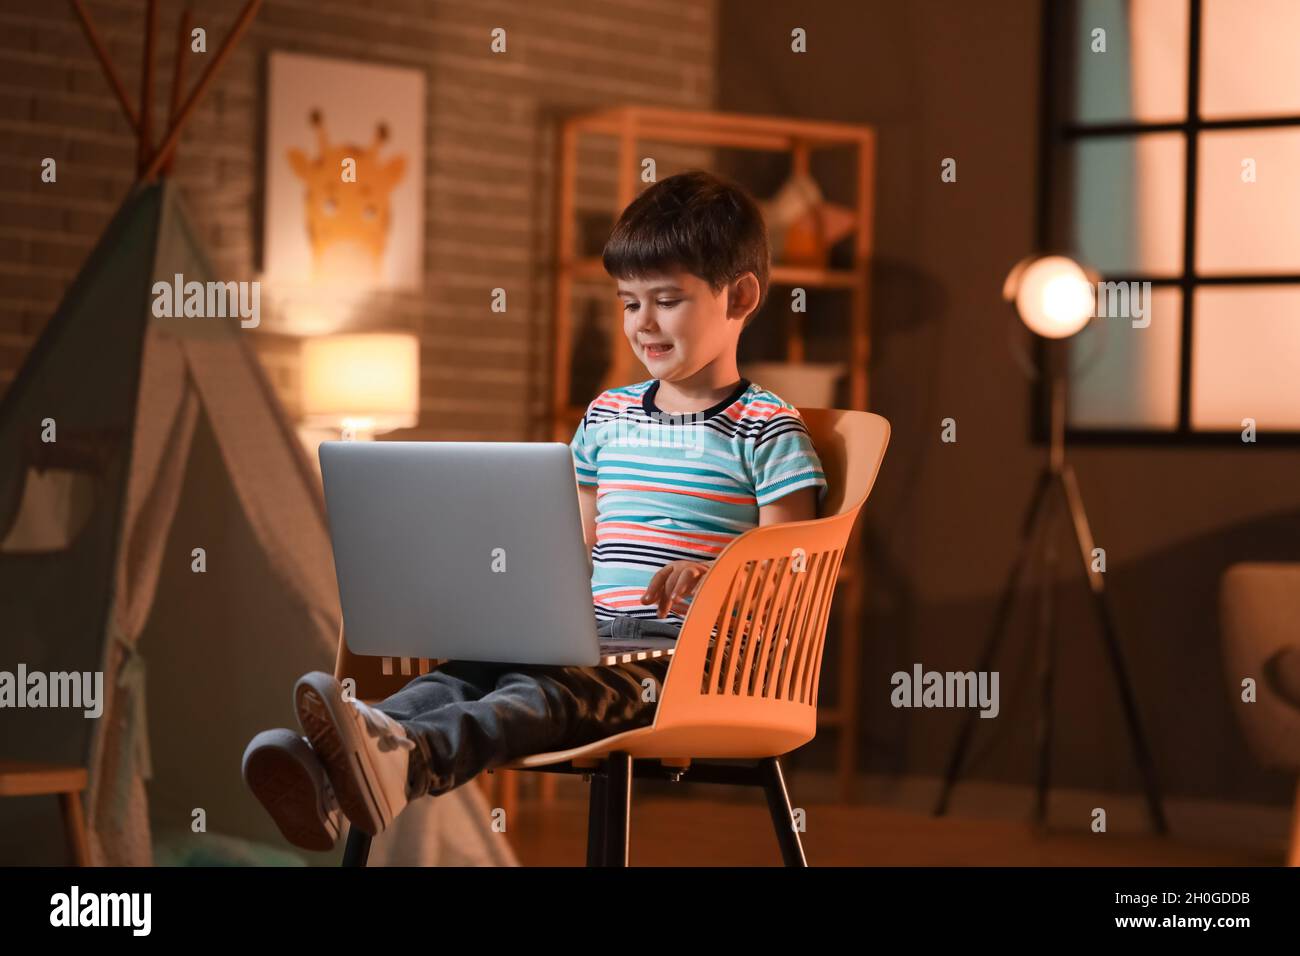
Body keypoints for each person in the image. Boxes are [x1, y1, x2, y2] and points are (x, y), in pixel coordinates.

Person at [242, 169, 829, 850]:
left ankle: (405, 759)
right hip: (593, 641)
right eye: (628, 302)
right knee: (474, 670)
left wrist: (717, 577)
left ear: (742, 296)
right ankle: (339, 762)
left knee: (541, 696)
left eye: (666, 300)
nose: (643, 323)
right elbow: (568, 550)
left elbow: (789, 565)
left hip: (695, 667)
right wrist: (501, 592)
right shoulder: (607, 416)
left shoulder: (766, 427)